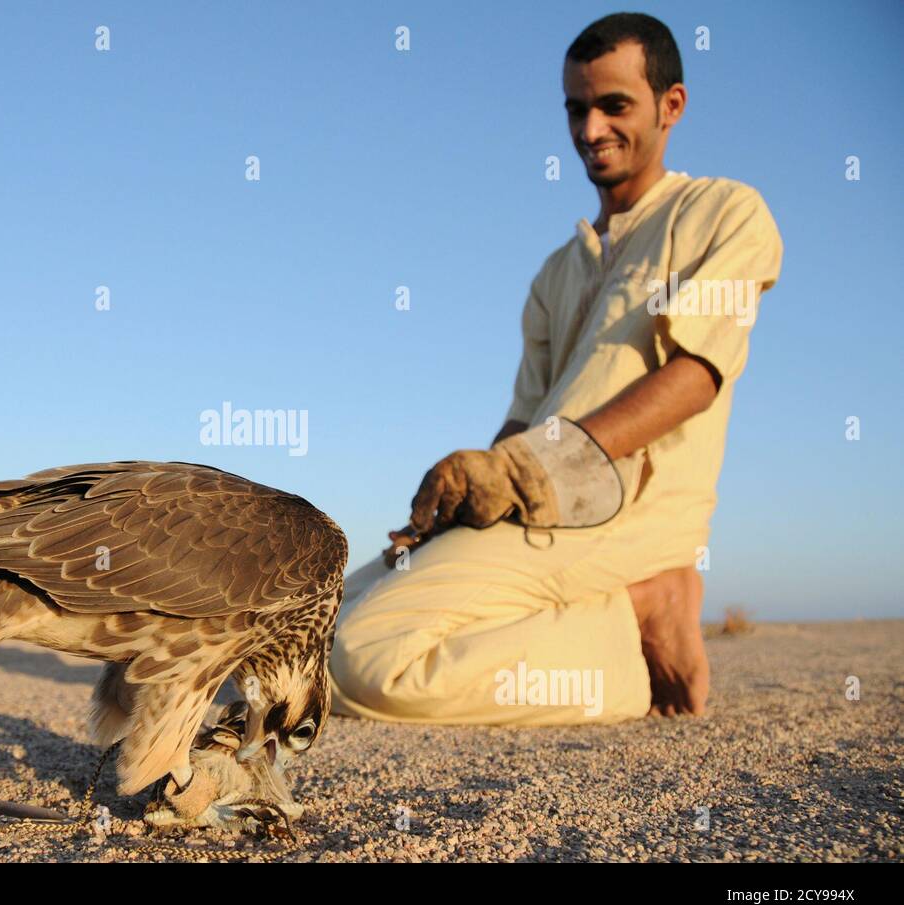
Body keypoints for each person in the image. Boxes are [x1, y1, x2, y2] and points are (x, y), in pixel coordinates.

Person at [330, 13, 783, 723]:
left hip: (629, 516)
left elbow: (696, 376)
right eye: (577, 108)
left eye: (615, 105)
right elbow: (525, 415)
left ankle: (641, 619)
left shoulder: (724, 212)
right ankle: (621, 605)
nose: (591, 128)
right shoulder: (555, 272)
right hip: (536, 505)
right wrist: (472, 490)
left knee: (368, 662)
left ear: (672, 106)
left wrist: (526, 473)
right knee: (298, 640)